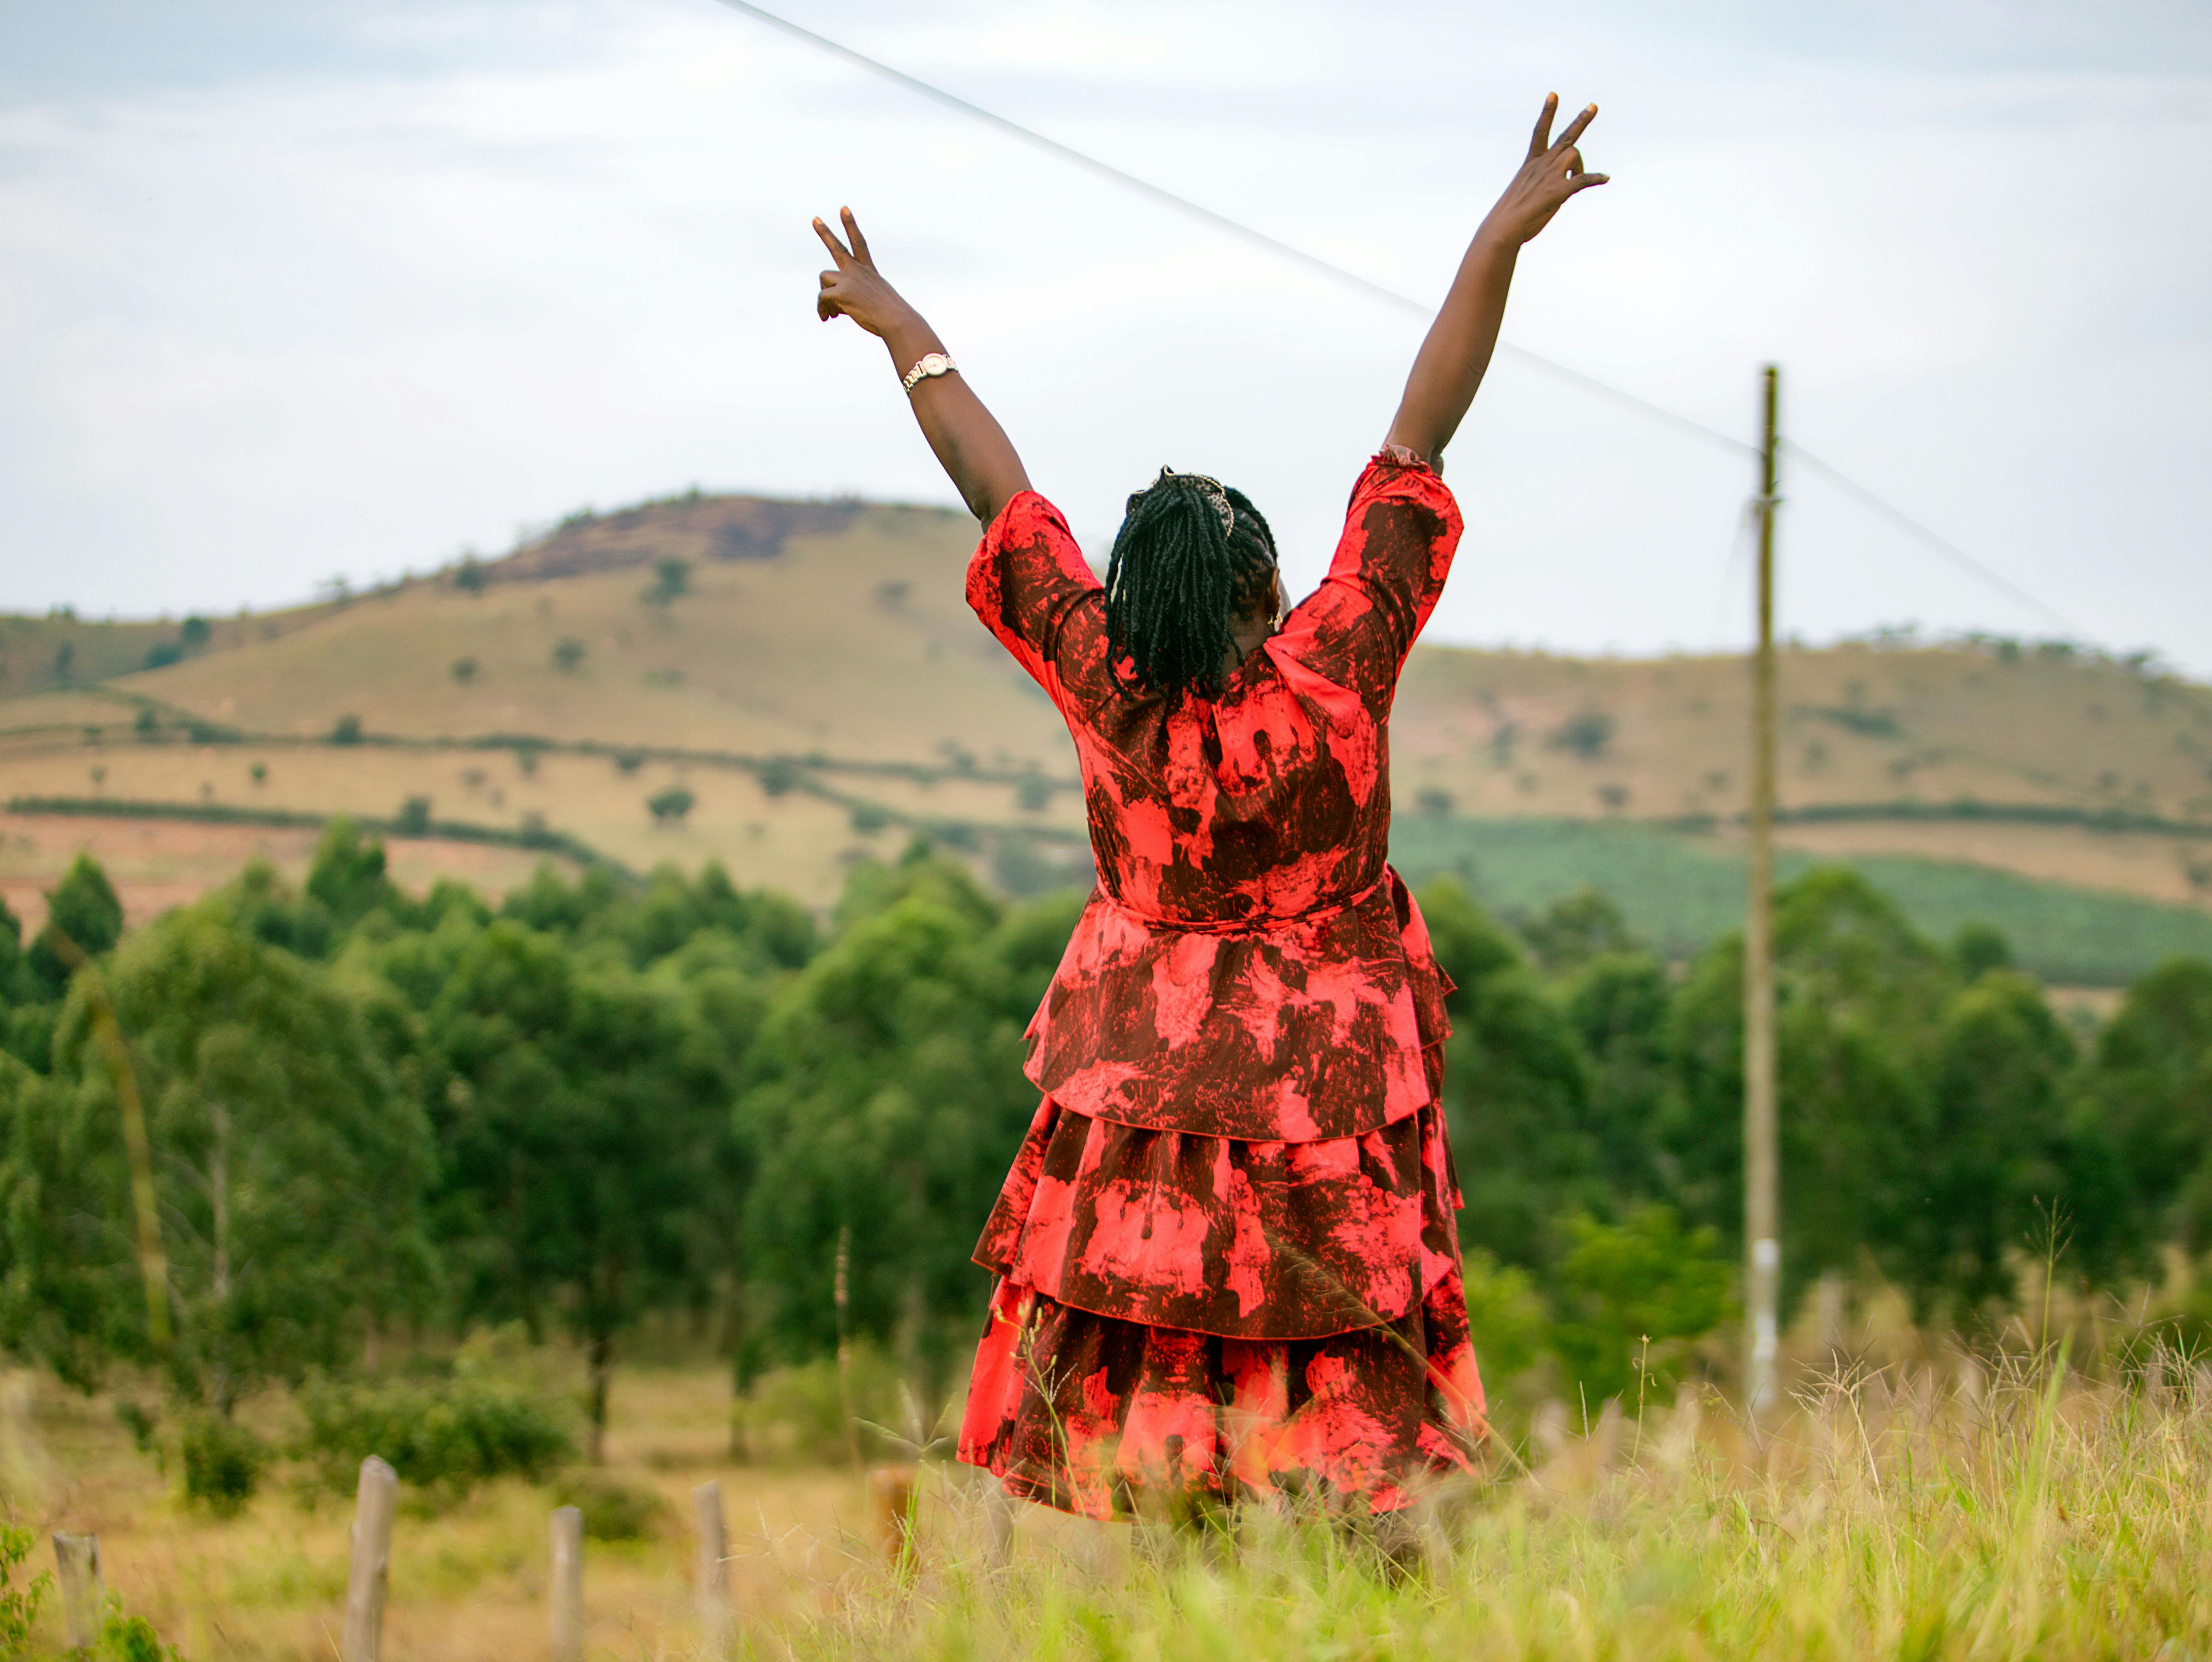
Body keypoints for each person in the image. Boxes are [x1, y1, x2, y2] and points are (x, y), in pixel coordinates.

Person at [810, 95, 1607, 1523]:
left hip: (1153, 1109)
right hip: (1334, 1105)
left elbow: (996, 487)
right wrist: (1503, 232)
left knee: (1175, 1418)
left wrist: (900, 328)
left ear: (1136, 600)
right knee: (1356, 1417)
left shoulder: (1105, 682)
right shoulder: (1342, 665)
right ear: (1263, 589)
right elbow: (1423, 431)